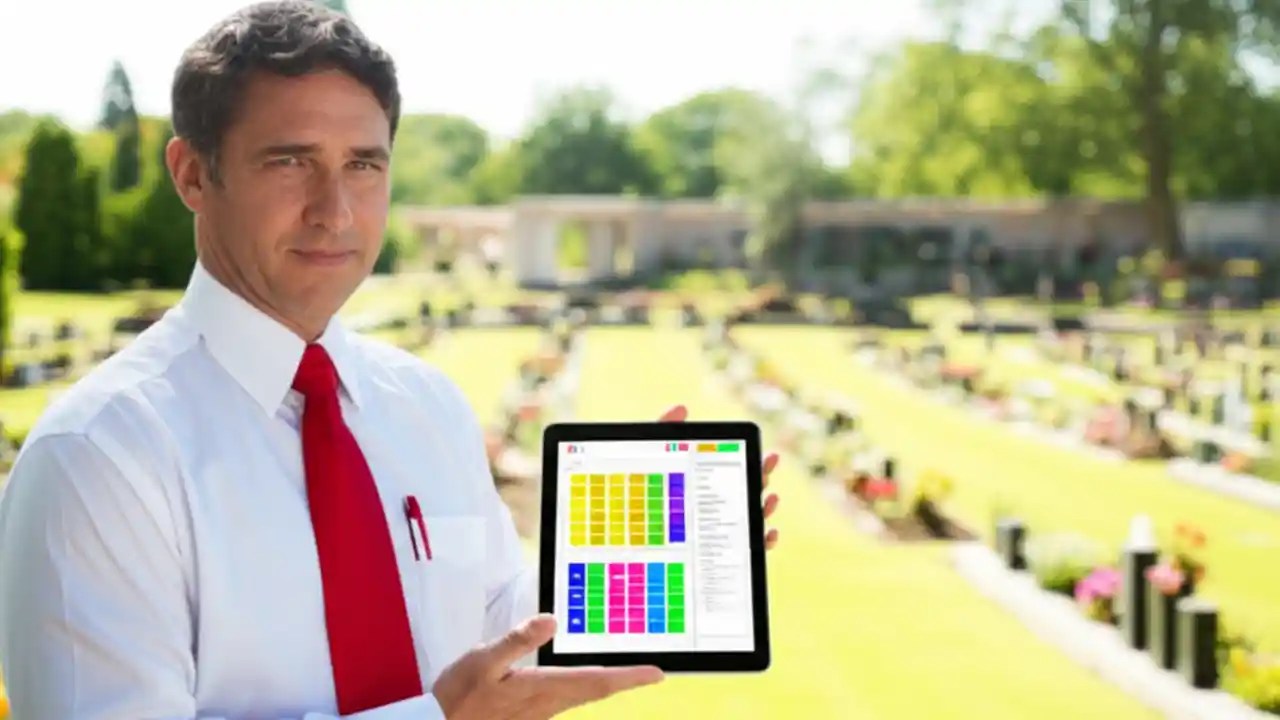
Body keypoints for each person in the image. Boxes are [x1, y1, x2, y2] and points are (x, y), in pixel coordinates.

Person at [0, 2, 781, 719]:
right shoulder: (98, 457)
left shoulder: (426, 403)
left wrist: (644, 555)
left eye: (364, 165)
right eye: (290, 161)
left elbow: (496, 634)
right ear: (193, 174)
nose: (335, 209)